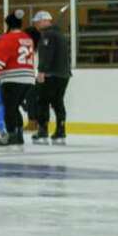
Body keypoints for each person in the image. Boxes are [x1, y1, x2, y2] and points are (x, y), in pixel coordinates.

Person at [0, 12, 37, 147]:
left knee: (9, 109)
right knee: (15, 107)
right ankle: (19, 135)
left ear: (8, 25)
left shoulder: (7, 39)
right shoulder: (28, 39)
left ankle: (11, 135)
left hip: (12, 78)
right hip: (29, 78)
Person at [29, 10, 71, 143]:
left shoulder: (47, 35)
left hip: (50, 74)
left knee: (42, 101)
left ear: (43, 21)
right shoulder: (61, 35)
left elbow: (47, 55)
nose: (36, 25)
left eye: (37, 22)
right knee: (58, 102)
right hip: (64, 74)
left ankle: (43, 130)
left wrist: (42, 71)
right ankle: (61, 130)